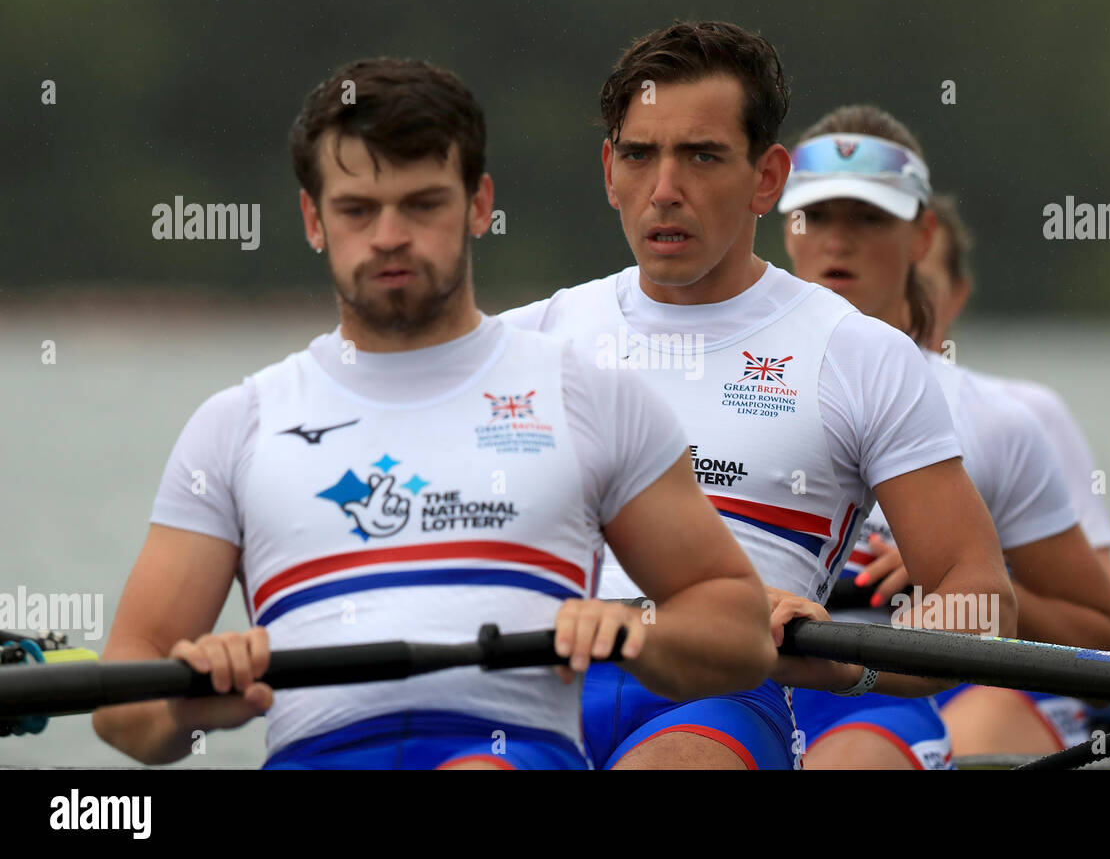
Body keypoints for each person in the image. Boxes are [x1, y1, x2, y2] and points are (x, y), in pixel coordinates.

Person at [91, 57, 776, 770]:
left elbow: (738, 627)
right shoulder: (237, 425)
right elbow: (120, 703)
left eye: (422, 204)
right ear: (313, 219)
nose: (389, 235)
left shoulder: (591, 399)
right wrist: (182, 708)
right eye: (358, 209)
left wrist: (640, 630)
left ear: (479, 205)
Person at [500, 21, 1015, 770]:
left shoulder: (857, 353)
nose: (665, 191)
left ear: (767, 179)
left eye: (702, 156)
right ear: (610, 170)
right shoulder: (528, 337)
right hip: (524, 689)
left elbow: (978, 599)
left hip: (715, 702)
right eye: (641, 156)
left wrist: (853, 664)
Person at [778, 104, 1110, 768]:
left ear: (921, 236)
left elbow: (1109, 638)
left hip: (970, 682)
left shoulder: (1000, 419)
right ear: (786, 229)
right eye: (816, 216)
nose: (838, 241)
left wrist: (972, 581)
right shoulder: (730, 395)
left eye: (869, 218)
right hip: (791, 676)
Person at [916, 192, 1110, 754]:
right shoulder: (775, 406)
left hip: (1008, 685)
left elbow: (1109, 647)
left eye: (914, 282)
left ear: (956, 296)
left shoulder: (1019, 413)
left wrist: (965, 583)